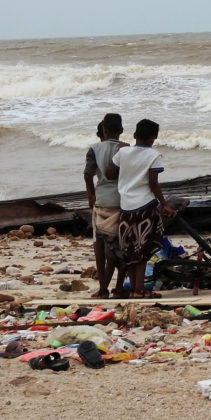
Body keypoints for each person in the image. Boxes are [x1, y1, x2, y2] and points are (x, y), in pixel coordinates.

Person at [107, 118, 172, 298]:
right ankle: (139, 289)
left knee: (130, 250)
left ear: (135, 135)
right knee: (143, 251)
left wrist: (121, 158)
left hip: (126, 207)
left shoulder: (123, 152)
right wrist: (164, 204)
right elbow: (153, 183)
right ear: (154, 138)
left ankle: (134, 289)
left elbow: (110, 173)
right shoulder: (154, 155)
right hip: (145, 206)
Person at [83, 113, 127, 299]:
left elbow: (88, 174)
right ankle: (119, 287)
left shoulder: (95, 148)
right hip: (123, 201)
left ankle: (103, 289)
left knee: (100, 248)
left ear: (103, 130)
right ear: (121, 130)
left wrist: (91, 194)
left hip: (102, 202)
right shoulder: (125, 148)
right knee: (122, 247)